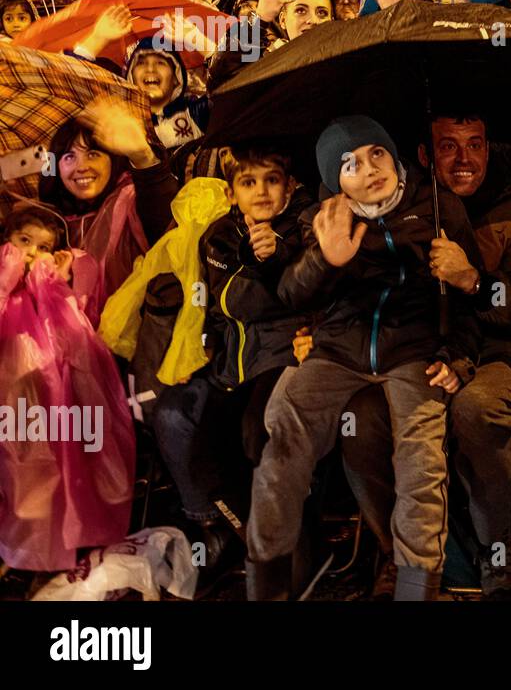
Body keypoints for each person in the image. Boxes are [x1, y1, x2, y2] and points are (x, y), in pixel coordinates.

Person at [245, 115, 482, 601]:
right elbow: (292, 294)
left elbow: (468, 303)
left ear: (395, 157)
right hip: (338, 349)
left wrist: (457, 355)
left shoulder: (438, 207)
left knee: (420, 461)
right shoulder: (327, 217)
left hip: (413, 352)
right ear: (336, 181)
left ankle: (417, 586)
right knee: (283, 435)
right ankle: (267, 583)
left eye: (377, 153)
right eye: (350, 164)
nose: (369, 168)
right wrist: (324, 260)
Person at [339, 114, 511, 600]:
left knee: (475, 406)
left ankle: (497, 550)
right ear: (422, 155)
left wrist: (474, 282)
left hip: (504, 354)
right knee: (360, 418)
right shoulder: (391, 205)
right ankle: (396, 555)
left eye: (474, 145)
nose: (463, 159)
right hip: (413, 357)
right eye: (448, 147)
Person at [148, 146, 313, 589]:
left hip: (282, 358)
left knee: (255, 430)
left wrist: (271, 258)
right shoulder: (220, 235)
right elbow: (218, 308)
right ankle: (228, 530)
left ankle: (290, 550)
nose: (260, 191)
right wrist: (197, 351)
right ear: (232, 191)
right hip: (227, 364)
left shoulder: (303, 227)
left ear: (289, 186)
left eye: (271, 180)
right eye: (248, 182)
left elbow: (288, 299)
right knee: (174, 415)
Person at [0, 199, 135, 571]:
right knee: (19, 472)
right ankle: (19, 550)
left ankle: (48, 549)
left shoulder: (51, 287)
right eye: (24, 240)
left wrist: (61, 283)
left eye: (43, 247)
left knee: (49, 471)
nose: (31, 254)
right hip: (12, 400)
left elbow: (79, 335)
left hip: (48, 401)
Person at [38, 100, 179, 302]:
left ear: (113, 160)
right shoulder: (50, 222)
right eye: (69, 156)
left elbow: (167, 228)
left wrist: (144, 157)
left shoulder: (130, 200)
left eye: (93, 154)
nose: (81, 167)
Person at [206, 0, 328, 90]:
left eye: (322, 13)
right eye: (301, 11)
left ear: (332, 20)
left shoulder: (343, 64)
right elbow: (220, 77)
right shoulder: (268, 64)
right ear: (282, 20)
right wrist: (260, 17)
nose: (313, 20)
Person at [125, 41, 210, 152]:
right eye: (141, 63)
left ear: (176, 78)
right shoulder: (122, 125)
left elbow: (234, 92)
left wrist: (200, 42)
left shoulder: (196, 112)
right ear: (131, 77)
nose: (150, 69)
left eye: (160, 63)